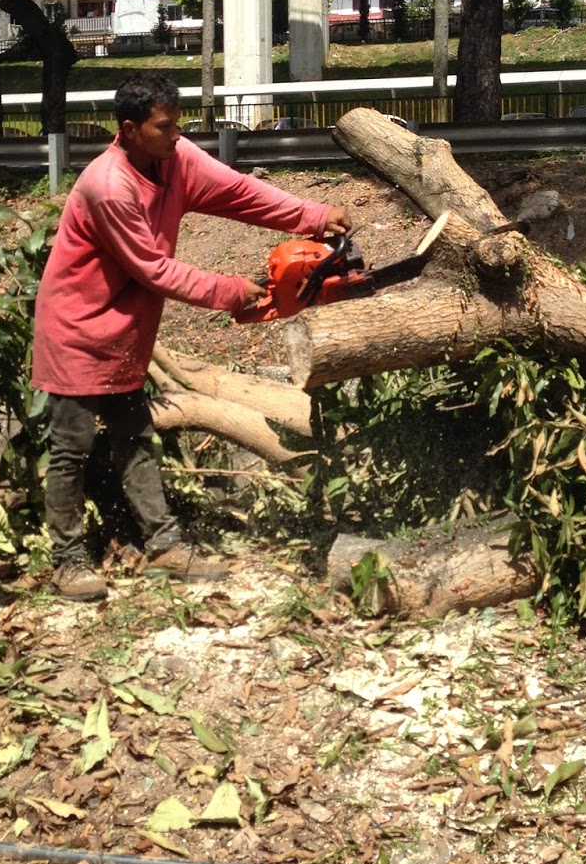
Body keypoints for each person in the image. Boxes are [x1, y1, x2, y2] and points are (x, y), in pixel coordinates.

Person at [31, 73, 352, 601]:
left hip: (126, 328)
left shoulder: (175, 159)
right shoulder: (108, 187)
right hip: (76, 329)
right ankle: (67, 562)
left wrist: (314, 218)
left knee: (133, 437)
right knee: (72, 447)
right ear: (130, 130)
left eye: (178, 123)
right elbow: (154, 270)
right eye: (166, 127)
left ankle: (164, 546)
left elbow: (240, 192)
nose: (177, 136)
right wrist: (230, 291)